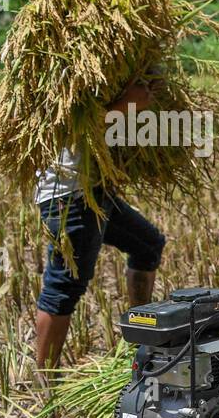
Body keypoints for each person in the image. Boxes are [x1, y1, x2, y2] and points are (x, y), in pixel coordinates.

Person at [34, 76, 166, 376]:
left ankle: (140, 339)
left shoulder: (93, 74)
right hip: (69, 195)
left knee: (148, 245)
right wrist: (129, 104)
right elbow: (74, 124)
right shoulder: (60, 76)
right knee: (64, 285)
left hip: (95, 190)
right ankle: (45, 383)